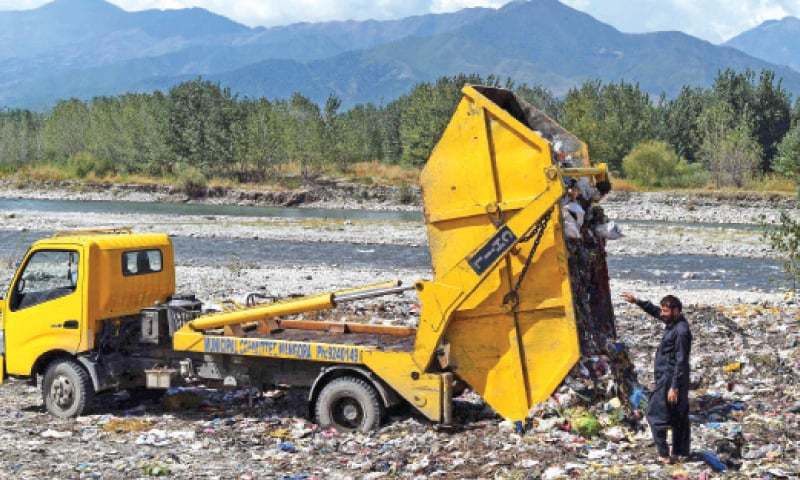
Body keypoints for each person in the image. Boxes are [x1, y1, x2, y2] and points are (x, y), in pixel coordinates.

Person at [622, 292, 692, 464]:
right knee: (678, 415)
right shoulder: (673, 322)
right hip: (673, 378)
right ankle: (680, 453)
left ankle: (664, 454)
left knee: (654, 414)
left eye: (665, 311)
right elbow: (655, 311)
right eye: (662, 310)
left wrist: (674, 386)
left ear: (676, 311)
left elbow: (681, 360)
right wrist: (637, 301)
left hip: (670, 378)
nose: (662, 314)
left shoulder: (681, 331)